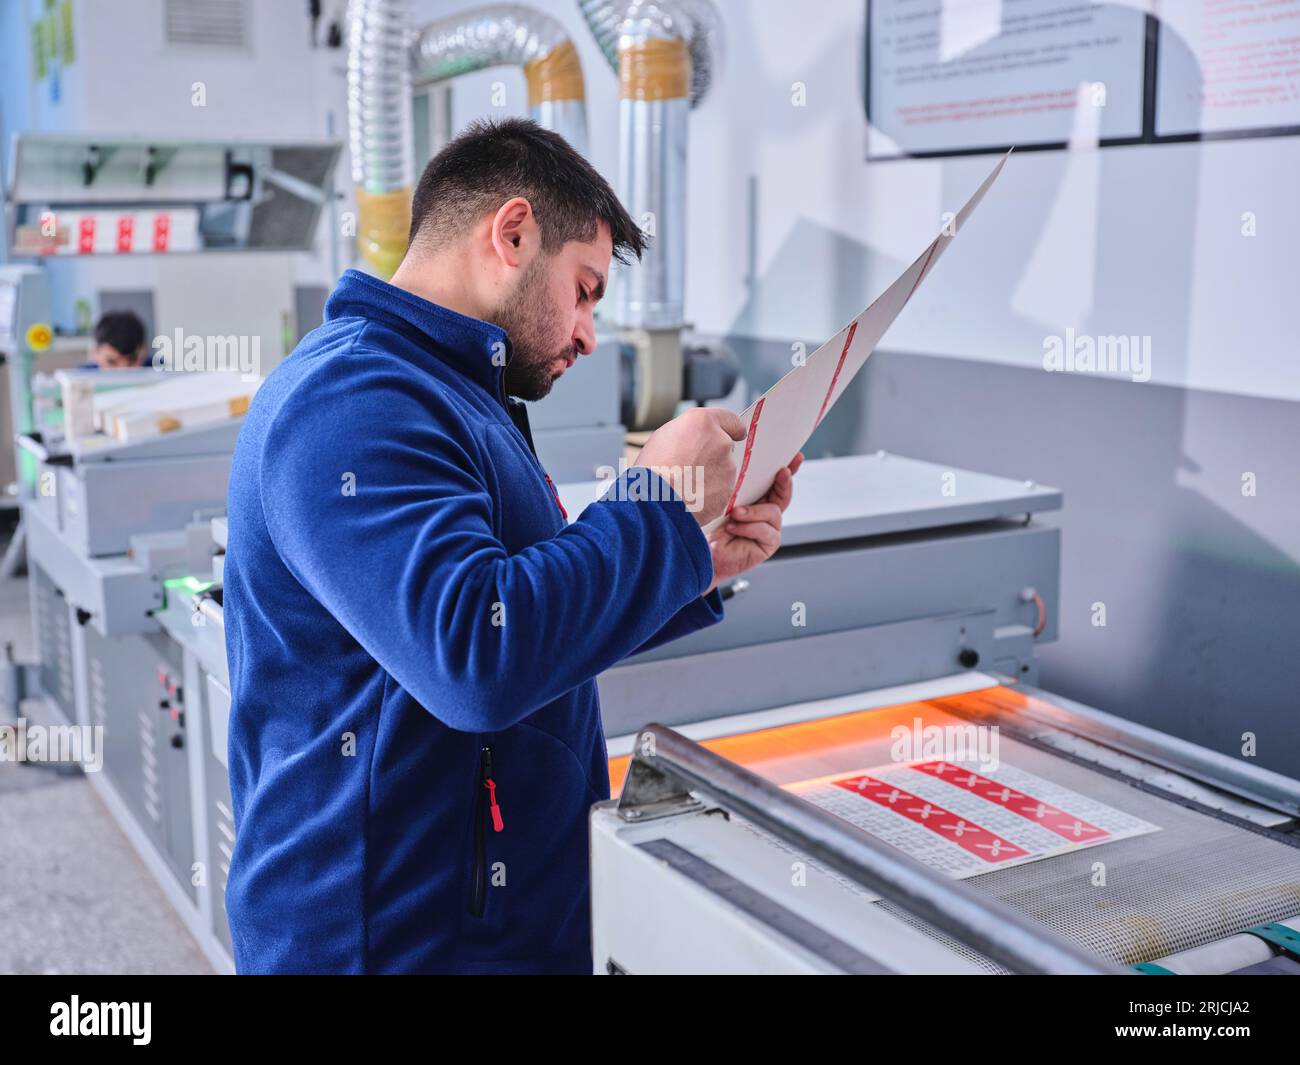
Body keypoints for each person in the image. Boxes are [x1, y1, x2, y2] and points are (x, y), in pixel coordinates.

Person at [222, 117, 803, 974]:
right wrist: (659, 498)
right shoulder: (354, 399)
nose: (588, 333)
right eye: (585, 288)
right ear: (514, 231)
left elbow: (524, 614)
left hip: (480, 918)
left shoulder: (451, 394)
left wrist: (689, 558)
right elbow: (477, 654)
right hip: (390, 939)